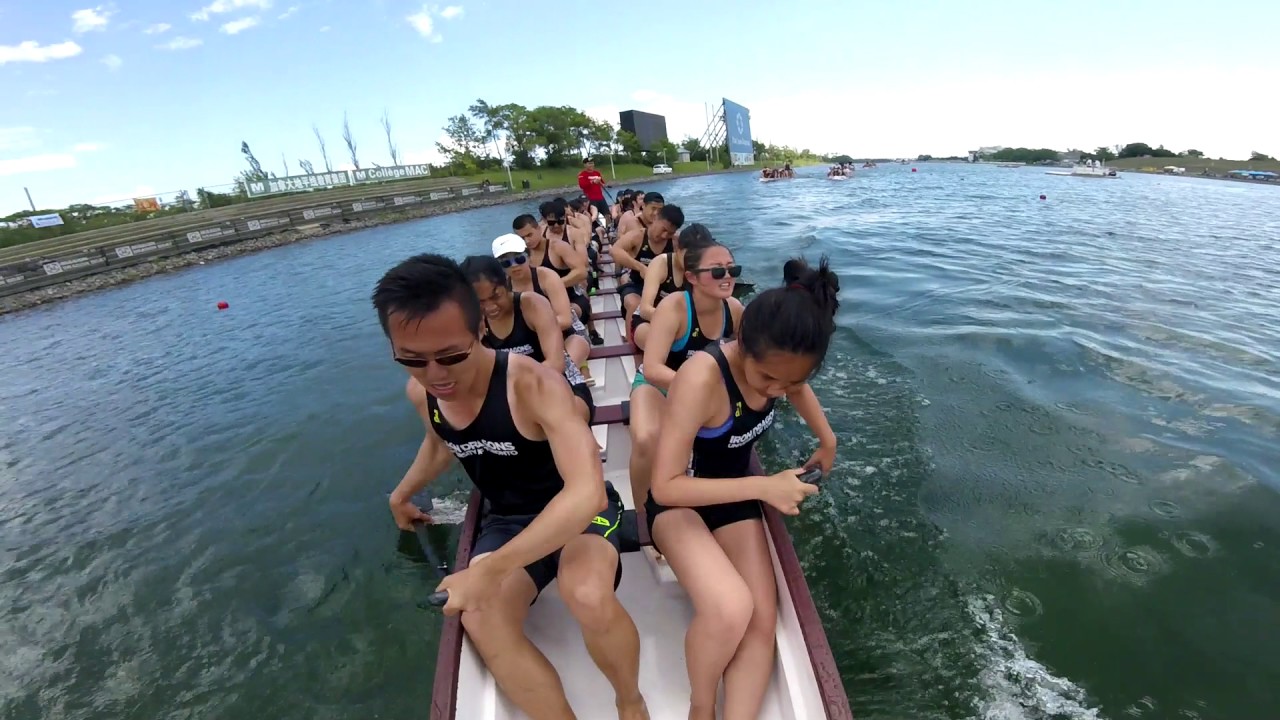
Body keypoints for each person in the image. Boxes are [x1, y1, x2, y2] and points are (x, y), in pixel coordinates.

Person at [375, 254, 647, 720]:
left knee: (585, 592)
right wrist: (400, 494)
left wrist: (491, 567)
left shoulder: (533, 384)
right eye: (412, 360)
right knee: (481, 618)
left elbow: (588, 493)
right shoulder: (424, 394)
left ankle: (630, 699)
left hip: (578, 515)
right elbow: (441, 447)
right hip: (506, 519)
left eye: (452, 356)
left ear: (481, 327)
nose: (436, 375)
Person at [646, 256, 840, 720]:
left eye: (791, 381)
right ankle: (701, 706)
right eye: (766, 378)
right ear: (742, 346)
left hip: (734, 497)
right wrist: (765, 487)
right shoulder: (701, 376)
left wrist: (827, 439)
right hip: (680, 505)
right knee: (731, 608)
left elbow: (793, 387)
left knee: (760, 622)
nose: (777, 390)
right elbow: (666, 486)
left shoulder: (783, 375)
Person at [627, 236, 743, 523]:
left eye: (732, 269)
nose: (727, 276)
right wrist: (699, 392)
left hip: (704, 398)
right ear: (692, 277)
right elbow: (653, 367)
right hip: (657, 387)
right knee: (645, 439)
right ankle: (643, 515)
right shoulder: (675, 307)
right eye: (718, 271)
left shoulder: (735, 310)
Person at [461, 255, 595, 423]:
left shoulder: (533, 305)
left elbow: (555, 364)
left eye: (496, 296)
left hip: (560, 386)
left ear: (506, 283)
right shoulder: (472, 320)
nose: (490, 307)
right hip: (513, 397)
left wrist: (507, 391)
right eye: (479, 302)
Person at [491, 231, 594, 385]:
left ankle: (580, 371)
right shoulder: (502, 288)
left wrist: (534, 327)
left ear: (527, 255)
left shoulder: (547, 277)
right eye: (506, 263)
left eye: (519, 258)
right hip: (527, 344)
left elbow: (565, 320)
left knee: (559, 373)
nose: (514, 266)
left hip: (567, 335)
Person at [514, 212, 603, 346]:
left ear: (539, 228)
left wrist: (554, 286)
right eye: (521, 238)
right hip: (540, 305)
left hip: (570, 299)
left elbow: (581, 272)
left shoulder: (558, 246)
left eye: (529, 235)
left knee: (558, 317)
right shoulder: (519, 257)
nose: (527, 241)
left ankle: (582, 341)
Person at [630, 222, 715, 351]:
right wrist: (678, 323)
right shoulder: (660, 264)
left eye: (700, 257)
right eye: (690, 256)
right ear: (677, 248)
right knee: (658, 342)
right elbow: (645, 309)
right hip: (649, 322)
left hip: (686, 326)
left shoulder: (705, 268)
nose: (694, 263)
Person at [612, 198, 684, 335]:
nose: (664, 235)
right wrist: (641, 268)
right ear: (656, 218)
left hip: (663, 289)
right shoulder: (638, 236)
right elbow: (615, 250)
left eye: (670, 233)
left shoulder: (676, 242)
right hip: (637, 285)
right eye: (663, 229)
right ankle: (630, 340)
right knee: (634, 304)